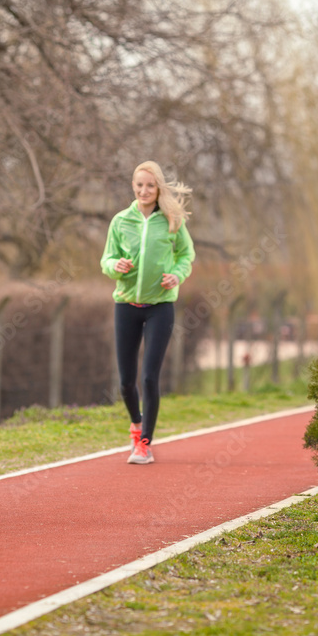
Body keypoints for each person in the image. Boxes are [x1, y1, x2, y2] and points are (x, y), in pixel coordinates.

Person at [101, 161, 195, 464]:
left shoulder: (172, 221)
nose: (144, 191)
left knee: (149, 378)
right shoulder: (120, 221)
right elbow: (107, 259)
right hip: (126, 306)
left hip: (160, 307)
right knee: (126, 382)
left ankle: (144, 444)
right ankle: (136, 423)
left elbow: (186, 255)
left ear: (158, 189)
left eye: (150, 186)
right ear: (133, 186)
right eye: (139, 185)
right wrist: (114, 265)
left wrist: (177, 275)